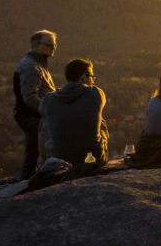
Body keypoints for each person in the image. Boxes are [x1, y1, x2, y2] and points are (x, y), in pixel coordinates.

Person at [40, 58, 109, 166]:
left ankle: (44, 164)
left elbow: (41, 111)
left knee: (44, 121)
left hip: (59, 160)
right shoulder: (96, 94)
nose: (93, 81)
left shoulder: (48, 99)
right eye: (91, 77)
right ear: (84, 77)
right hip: (93, 159)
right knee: (100, 119)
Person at [12, 30, 57, 180]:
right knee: (37, 151)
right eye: (50, 45)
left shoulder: (37, 63)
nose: (54, 48)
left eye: (55, 45)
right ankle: (27, 183)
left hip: (33, 115)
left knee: (34, 152)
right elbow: (30, 97)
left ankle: (25, 181)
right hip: (32, 116)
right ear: (36, 45)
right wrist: (49, 111)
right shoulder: (31, 66)